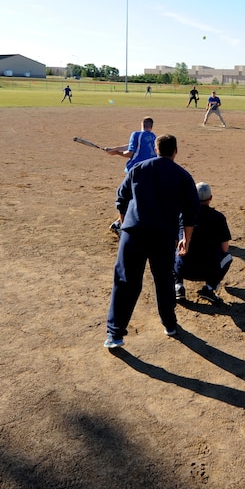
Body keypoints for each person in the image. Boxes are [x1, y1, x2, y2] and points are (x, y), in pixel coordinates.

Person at [104, 134, 201, 349]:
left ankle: (115, 334)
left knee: (125, 281)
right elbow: (190, 212)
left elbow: (121, 199)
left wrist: (123, 224)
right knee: (164, 279)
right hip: (163, 236)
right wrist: (186, 238)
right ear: (175, 151)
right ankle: (169, 324)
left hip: (133, 232)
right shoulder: (183, 176)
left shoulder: (138, 168)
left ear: (156, 150)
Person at [175, 182, 232, 305]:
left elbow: (174, 241)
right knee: (228, 257)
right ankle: (209, 288)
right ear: (210, 198)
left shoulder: (183, 215)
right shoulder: (219, 217)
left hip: (183, 269)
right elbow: (225, 248)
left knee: (171, 249)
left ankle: (178, 286)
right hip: (208, 271)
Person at [105, 117, 157, 234]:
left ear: (141, 124)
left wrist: (117, 153)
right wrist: (114, 149)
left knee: (129, 197)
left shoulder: (136, 134)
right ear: (151, 126)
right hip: (150, 171)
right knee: (139, 197)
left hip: (136, 170)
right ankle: (120, 222)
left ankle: (119, 224)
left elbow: (130, 152)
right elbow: (131, 146)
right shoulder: (153, 137)